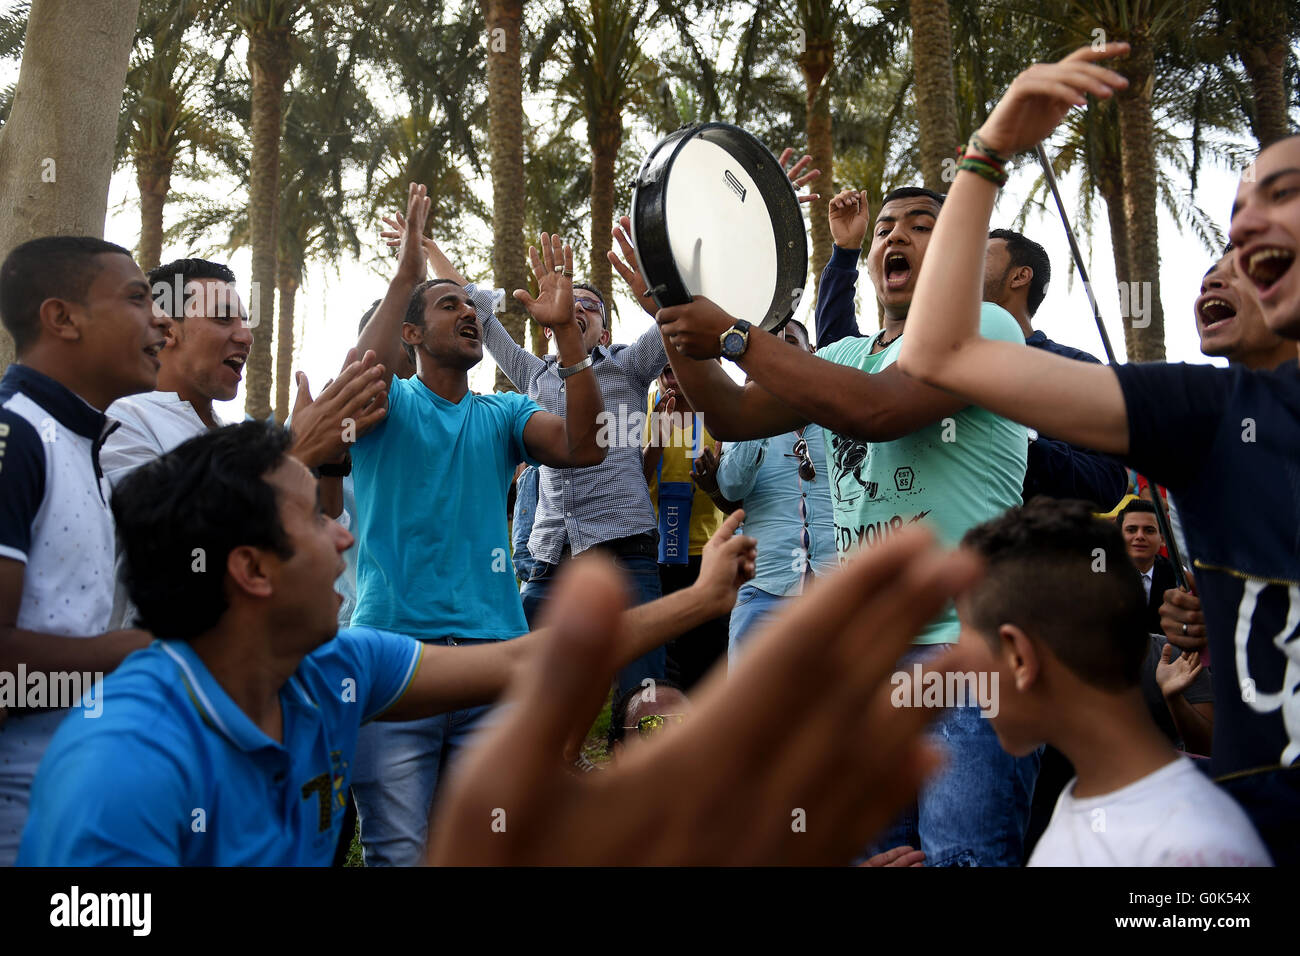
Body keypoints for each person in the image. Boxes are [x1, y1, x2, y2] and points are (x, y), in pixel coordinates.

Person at [895, 40, 1300, 861]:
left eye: (1283, 193)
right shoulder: (1210, 413)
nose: (1245, 224)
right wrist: (990, 148)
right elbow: (939, 353)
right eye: (1232, 215)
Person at [16, 420, 757, 865]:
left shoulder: (333, 669)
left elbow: (530, 658)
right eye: (315, 518)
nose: (345, 534)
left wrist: (702, 598)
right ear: (249, 569)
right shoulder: (119, 773)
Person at [639, 185, 1038, 865]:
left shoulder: (988, 326)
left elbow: (875, 413)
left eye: (922, 225)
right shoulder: (845, 356)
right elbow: (732, 416)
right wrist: (673, 317)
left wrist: (734, 335)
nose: (896, 237)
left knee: (960, 858)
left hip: (968, 657)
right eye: (885, 228)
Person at [347, 183, 608, 866]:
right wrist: (409, 269)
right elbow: (361, 374)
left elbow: (588, 444)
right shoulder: (387, 403)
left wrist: (569, 341)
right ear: (411, 333)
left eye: (472, 304)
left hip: (497, 665)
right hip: (395, 664)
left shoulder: (504, 415)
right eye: (448, 303)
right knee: (401, 855)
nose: (470, 311)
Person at [395, 214, 669, 698]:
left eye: (590, 307)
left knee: (641, 688)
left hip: (625, 548)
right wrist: (428, 248)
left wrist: (661, 287)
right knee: (520, 682)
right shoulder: (532, 374)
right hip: (550, 553)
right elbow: (477, 308)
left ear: (603, 333)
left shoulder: (629, 366)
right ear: (546, 326)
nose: (577, 307)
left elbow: (674, 323)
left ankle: (637, 753)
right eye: (570, 303)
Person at [957, 498, 1267, 866]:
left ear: (1019, 657)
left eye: (965, 649)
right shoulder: (1090, 807)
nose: (964, 678)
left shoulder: (1189, 847)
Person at [101, 258, 387, 628]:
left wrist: (330, 460)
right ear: (166, 331)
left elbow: (322, 529)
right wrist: (298, 451)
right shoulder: (123, 420)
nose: (245, 335)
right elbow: (173, 548)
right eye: (223, 319)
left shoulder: (228, 435)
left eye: (243, 321)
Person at [0, 236, 165, 863]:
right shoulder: (15, 437)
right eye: (137, 298)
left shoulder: (81, 444)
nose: (161, 319)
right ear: (61, 318)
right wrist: (141, 652)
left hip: (72, 808)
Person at [815, 198, 1127, 508]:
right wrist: (844, 253)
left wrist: (1011, 441)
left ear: (1020, 276)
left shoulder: (1074, 368)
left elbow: (1106, 482)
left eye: (979, 256)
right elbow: (837, 365)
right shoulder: (920, 349)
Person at [713, 319, 837, 659]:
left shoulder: (838, 421)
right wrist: (761, 406)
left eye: (789, 344)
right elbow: (731, 485)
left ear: (812, 354)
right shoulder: (743, 422)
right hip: (763, 592)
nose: (777, 355)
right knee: (750, 710)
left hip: (834, 593)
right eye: (768, 348)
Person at [643, 362, 735, 690]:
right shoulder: (642, 409)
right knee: (661, 667)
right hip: (654, 558)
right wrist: (657, 438)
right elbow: (632, 483)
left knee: (707, 668)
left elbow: (734, 491)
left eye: (683, 362)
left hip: (706, 554)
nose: (675, 369)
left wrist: (713, 479)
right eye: (667, 365)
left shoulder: (720, 416)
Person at [1117, 499, 1176, 636]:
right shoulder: (1103, 575)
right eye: (1131, 530)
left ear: (1162, 539)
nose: (1139, 536)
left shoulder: (1178, 576)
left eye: (1149, 530)